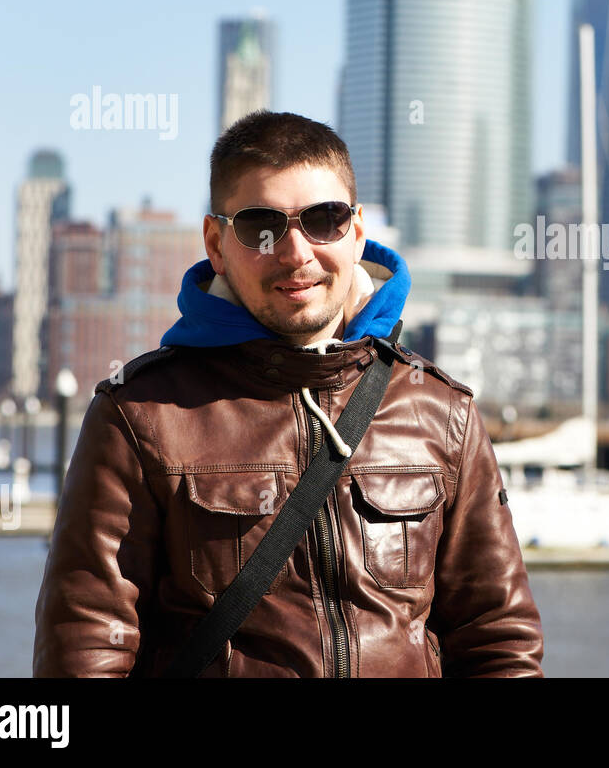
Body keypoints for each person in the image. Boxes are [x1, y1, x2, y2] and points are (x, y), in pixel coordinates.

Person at [33, 110, 544, 677]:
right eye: (262, 227)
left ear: (356, 233)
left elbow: (498, 639)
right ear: (216, 243)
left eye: (324, 219)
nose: (296, 252)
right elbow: (86, 648)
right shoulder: (139, 416)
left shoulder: (442, 413)